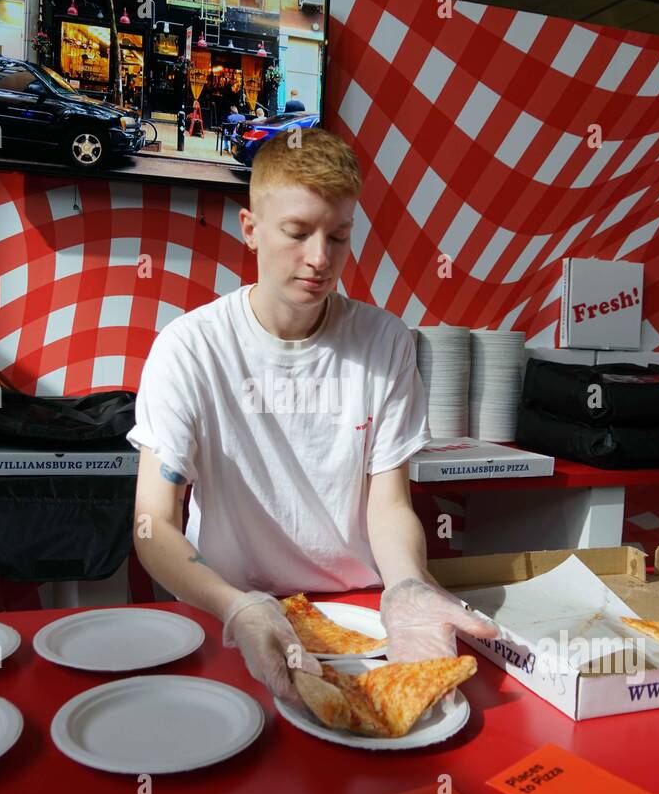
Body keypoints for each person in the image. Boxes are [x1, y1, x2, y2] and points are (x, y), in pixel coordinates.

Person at [127, 129, 499, 704]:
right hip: (229, 607)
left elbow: (389, 501)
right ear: (250, 229)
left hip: (359, 613)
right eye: (298, 233)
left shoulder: (385, 341)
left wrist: (404, 585)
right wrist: (237, 607)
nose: (320, 259)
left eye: (339, 236)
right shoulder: (190, 349)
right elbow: (154, 523)